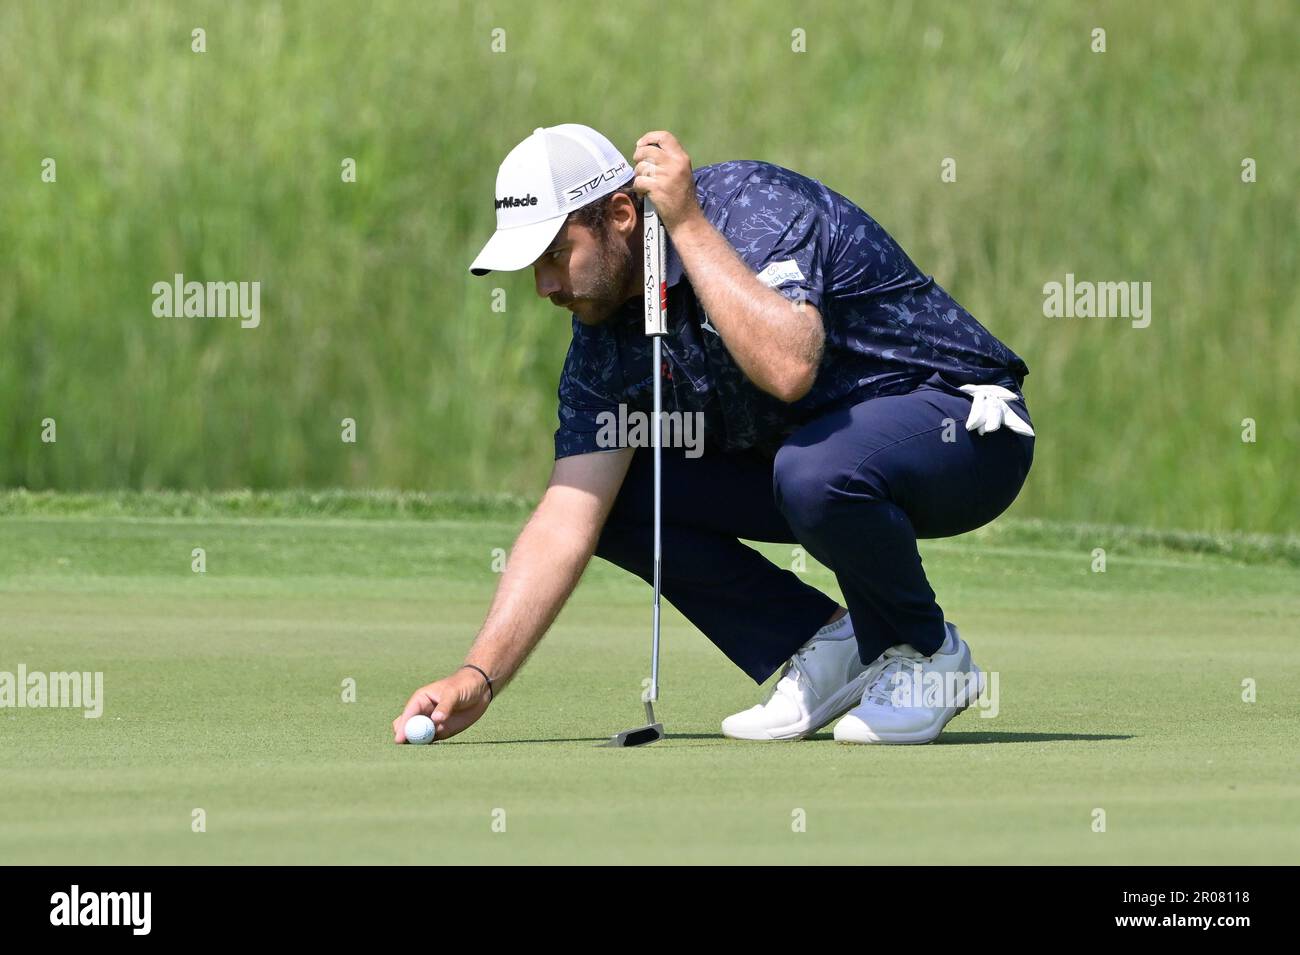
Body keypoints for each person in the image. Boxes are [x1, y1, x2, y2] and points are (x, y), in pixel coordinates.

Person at [393, 123, 1035, 745]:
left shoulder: (750, 207)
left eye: (556, 255)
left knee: (815, 470)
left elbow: (789, 368)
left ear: (620, 214)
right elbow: (568, 518)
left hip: (965, 428)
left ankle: (926, 656)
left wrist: (688, 225)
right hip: (820, 464)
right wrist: (479, 676)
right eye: (534, 266)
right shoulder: (600, 344)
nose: (544, 287)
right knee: (623, 499)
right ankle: (830, 645)